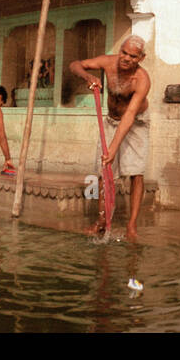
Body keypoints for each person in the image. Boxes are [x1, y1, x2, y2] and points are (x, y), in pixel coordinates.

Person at [69, 36, 152, 238]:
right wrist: (88, 77)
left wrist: (114, 148)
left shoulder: (142, 80)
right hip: (111, 120)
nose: (125, 58)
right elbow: (75, 65)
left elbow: (130, 115)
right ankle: (102, 222)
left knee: (136, 172)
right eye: (123, 52)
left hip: (136, 123)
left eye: (132, 56)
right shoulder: (108, 62)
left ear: (141, 58)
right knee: (103, 170)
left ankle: (131, 226)